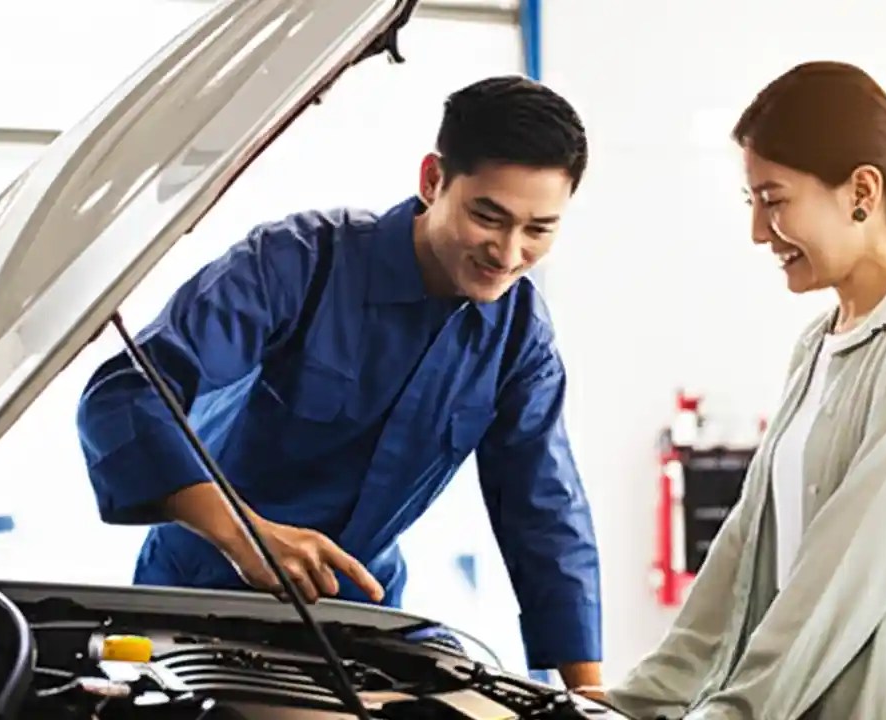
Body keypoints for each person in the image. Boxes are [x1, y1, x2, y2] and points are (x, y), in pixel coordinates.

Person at [75, 75, 604, 691]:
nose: (509, 253)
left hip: (360, 614)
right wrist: (244, 533)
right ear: (433, 180)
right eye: (488, 217)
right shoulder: (296, 262)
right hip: (203, 593)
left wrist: (589, 696)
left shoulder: (519, 336)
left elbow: (544, 513)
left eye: (539, 229)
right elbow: (124, 394)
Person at [604, 61, 886, 718]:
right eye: (753, 204)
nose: (760, 233)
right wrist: (632, 703)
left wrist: (733, 713)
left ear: (861, 191)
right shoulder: (817, 343)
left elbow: (852, 556)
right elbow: (744, 549)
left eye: (774, 201)